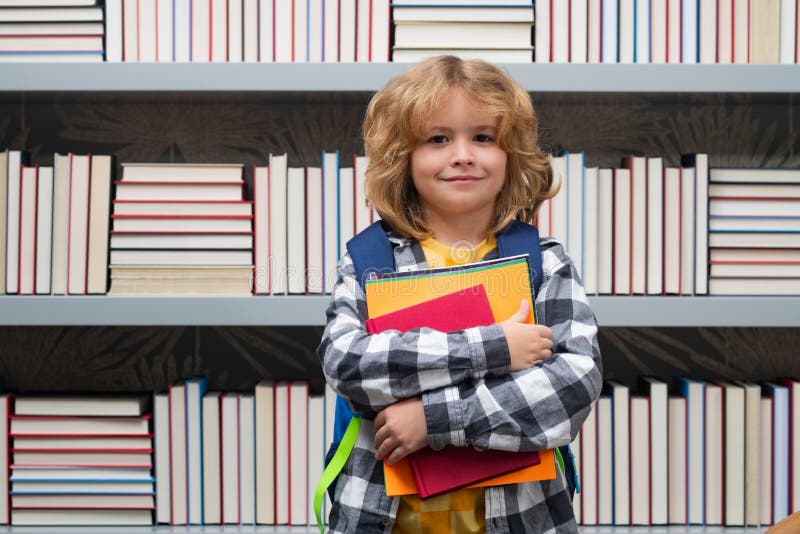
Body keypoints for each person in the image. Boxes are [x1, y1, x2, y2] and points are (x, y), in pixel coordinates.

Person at [317, 55, 602, 533]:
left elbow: (573, 384)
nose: (463, 154)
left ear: (511, 154)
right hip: (384, 518)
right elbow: (347, 363)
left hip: (518, 518)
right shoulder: (368, 263)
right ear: (402, 158)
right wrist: (497, 347)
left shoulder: (545, 263)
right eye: (438, 139)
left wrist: (434, 420)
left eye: (483, 138)